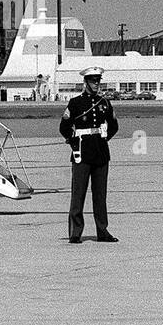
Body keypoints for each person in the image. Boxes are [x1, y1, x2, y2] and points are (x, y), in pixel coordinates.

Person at [59, 66, 119, 243]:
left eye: (98, 81)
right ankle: (75, 232)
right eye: (92, 81)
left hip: (100, 153)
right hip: (82, 153)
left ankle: (102, 231)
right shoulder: (75, 103)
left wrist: (104, 137)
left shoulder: (104, 103)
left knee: (100, 195)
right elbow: (64, 127)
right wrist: (73, 141)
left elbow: (114, 125)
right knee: (78, 194)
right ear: (85, 82)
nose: (96, 84)